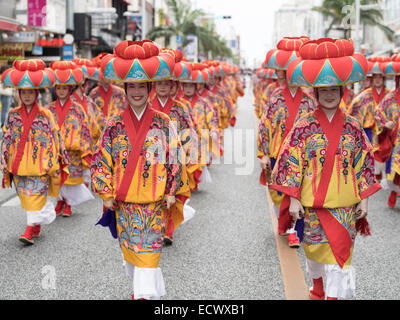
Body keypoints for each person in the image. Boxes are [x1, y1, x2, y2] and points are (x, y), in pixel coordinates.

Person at [270, 38, 381, 300]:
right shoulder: (304, 126)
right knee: (314, 252)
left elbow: (363, 163)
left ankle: (333, 295)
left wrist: (364, 201)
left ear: (342, 92)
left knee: (340, 258)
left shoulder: (353, 126)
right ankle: (317, 284)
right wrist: (294, 198)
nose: (329, 94)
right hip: (313, 204)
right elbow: (290, 161)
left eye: (334, 89)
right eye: (323, 90)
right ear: (316, 94)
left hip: (344, 206)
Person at [91, 40, 190, 300]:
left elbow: (175, 158)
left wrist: (172, 190)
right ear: (125, 89)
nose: (136, 92)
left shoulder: (164, 121)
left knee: (149, 257)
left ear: (150, 88)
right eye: (131, 86)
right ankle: (144, 293)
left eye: (141, 86)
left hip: (155, 204)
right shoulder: (113, 124)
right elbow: (101, 159)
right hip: (125, 205)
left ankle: (143, 296)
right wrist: (106, 192)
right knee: (132, 260)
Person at [0, 59, 68, 245]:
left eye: (30, 92)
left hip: (40, 163)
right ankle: (37, 223)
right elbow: (6, 137)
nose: (27, 95)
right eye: (24, 92)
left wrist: (55, 160)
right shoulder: (12, 114)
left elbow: (55, 137)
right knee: (26, 196)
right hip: (19, 163)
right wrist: (4, 160)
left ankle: (30, 229)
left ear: (36, 93)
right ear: (19, 93)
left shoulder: (45, 114)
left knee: (35, 195)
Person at [258, 36, 316, 248]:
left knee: (298, 192)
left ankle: (294, 229)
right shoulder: (275, 97)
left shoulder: (310, 99)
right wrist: (263, 153)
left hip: (302, 157)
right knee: (278, 193)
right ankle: (284, 221)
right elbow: (265, 126)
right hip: (276, 153)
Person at [47, 61, 94, 217]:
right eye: (58, 88)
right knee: (57, 176)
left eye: (64, 88)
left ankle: (67, 204)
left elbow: (85, 129)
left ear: (70, 88)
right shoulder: (49, 109)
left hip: (72, 150)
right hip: (55, 150)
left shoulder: (77, 108)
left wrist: (83, 146)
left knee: (71, 177)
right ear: (55, 89)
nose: (61, 91)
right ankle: (59, 201)